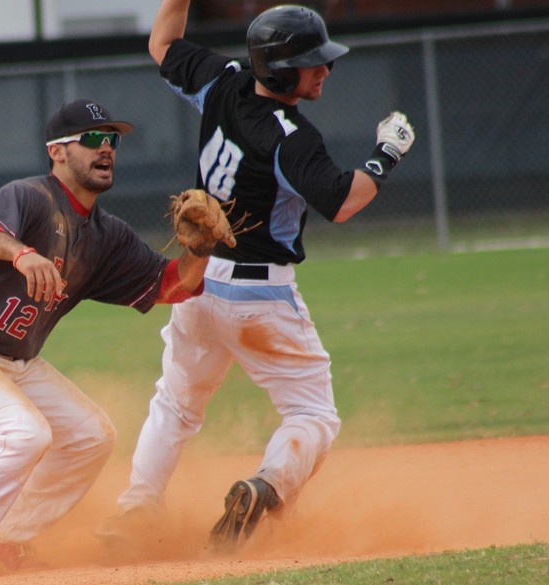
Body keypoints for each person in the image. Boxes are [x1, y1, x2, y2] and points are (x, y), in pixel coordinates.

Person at [97, 1, 416, 551]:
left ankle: (136, 510)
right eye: (314, 62)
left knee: (175, 405)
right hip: (260, 294)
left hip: (199, 281)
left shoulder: (223, 82)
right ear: (281, 70)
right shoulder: (292, 137)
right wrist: (387, 153)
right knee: (313, 414)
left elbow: (162, 43)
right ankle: (263, 485)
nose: (326, 70)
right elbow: (343, 202)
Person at [0, 98, 216, 581]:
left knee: (90, 436)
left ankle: (8, 536)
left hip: (15, 363)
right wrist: (21, 252)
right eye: (92, 139)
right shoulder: (30, 196)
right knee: (24, 433)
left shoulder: (107, 234)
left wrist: (201, 248)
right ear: (57, 152)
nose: (106, 148)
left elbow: (170, 287)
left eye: (112, 140)